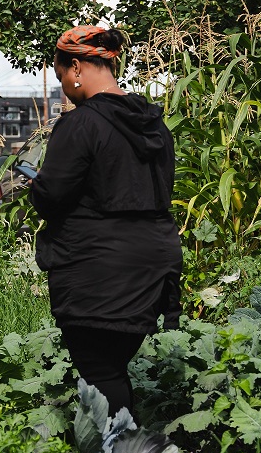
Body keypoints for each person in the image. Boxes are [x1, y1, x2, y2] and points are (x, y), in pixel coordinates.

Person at [29, 25, 182, 416]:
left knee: (99, 369)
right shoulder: (154, 126)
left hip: (98, 269)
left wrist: (37, 185)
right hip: (152, 263)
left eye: (62, 74)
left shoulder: (81, 125)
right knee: (111, 366)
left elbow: (52, 198)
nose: (63, 84)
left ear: (76, 66)